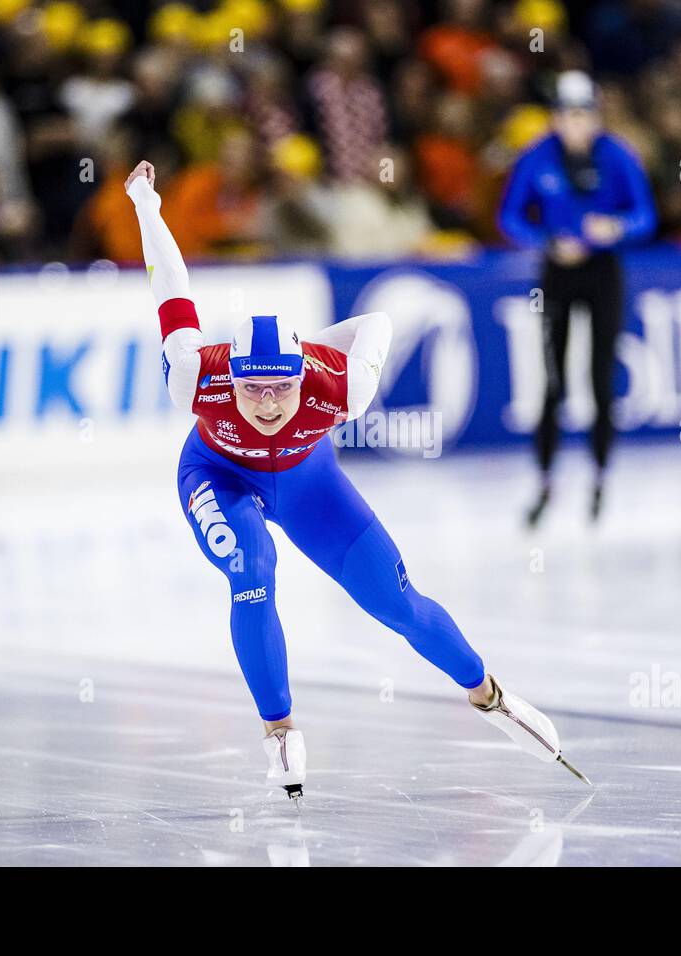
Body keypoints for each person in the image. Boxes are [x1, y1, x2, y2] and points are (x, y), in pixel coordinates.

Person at [125, 160, 587, 797]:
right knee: (252, 570)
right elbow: (169, 288)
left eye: (280, 388)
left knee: (395, 602)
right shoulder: (193, 373)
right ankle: (280, 729)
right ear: (229, 380)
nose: (265, 404)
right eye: (251, 390)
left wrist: (327, 348)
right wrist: (147, 206)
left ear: (302, 376)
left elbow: (378, 325)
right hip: (218, 474)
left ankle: (490, 695)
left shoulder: (342, 385)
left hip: (311, 482)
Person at [498, 71, 656, 527]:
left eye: (584, 115)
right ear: (555, 119)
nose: (576, 125)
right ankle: (545, 479)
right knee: (552, 383)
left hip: (604, 272)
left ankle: (601, 475)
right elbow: (509, 216)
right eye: (568, 115)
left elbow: (645, 214)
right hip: (558, 275)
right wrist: (548, 241)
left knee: (601, 379)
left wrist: (616, 229)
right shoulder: (537, 158)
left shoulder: (618, 156)